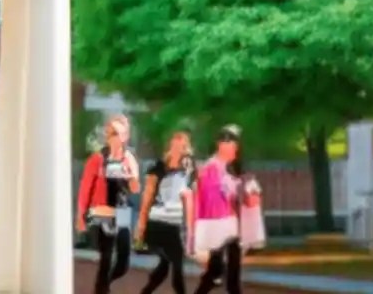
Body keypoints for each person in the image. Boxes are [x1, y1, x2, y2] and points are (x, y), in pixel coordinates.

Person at [76, 115, 141, 294]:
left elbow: (135, 188)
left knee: (124, 260)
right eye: (111, 133)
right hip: (102, 210)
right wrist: (81, 216)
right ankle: (102, 289)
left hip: (122, 210)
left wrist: (131, 176)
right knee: (106, 257)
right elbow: (85, 189)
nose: (114, 137)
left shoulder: (129, 158)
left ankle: (104, 285)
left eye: (118, 133)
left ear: (125, 136)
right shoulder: (97, 159)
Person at [136, 131, 196, 294]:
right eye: (175, 146)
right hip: (156, 222)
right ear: (170, 147)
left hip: (174, 224)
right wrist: (140, 228)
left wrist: (190, 230)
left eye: (182, 147)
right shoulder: (157, 169)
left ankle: (146, 290)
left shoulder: (188, 171)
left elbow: (188, 200)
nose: (178, 151)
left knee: (167, 265)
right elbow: (147, 199)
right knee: (173, 263)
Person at [192, 125, 248, 294]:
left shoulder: (231, 167)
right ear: (219, 145)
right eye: (228, 142)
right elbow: (209, 198)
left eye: (233, 143)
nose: (233, 147)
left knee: (232, 265)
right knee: (217, 268)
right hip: (217, 222)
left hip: (230, 222)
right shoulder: (211, 167)